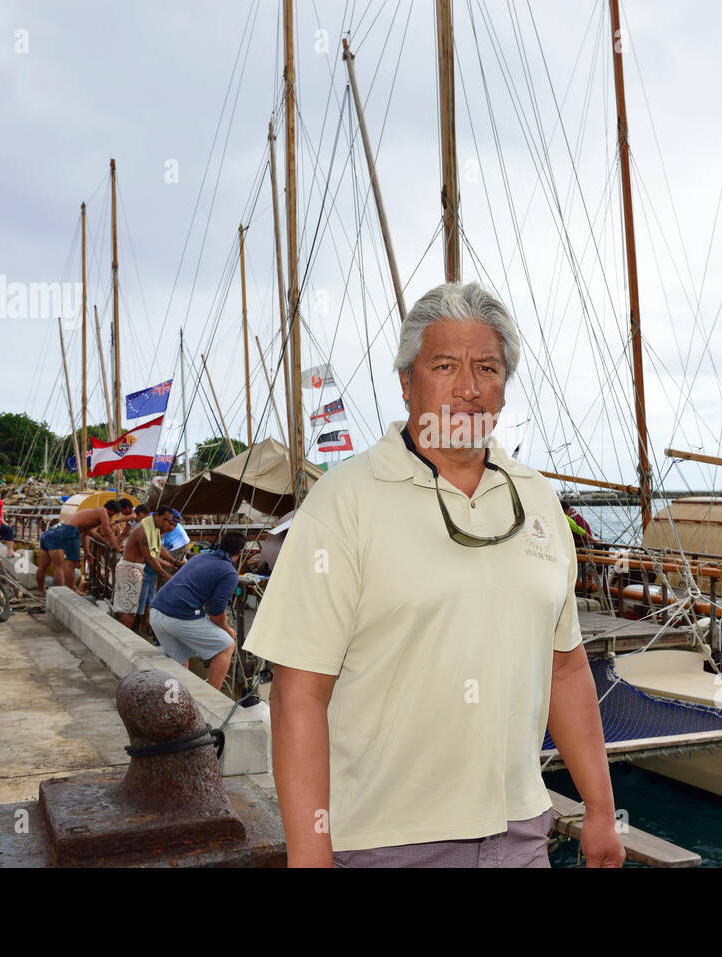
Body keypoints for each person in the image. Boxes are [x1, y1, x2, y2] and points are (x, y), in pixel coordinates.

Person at [244, 282, 623, 868]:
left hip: (521, 835)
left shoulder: (539, 500)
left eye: (487, 368)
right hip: (383, 843)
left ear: (503, 388)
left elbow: (566, 668)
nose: (468, 388)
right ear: (406, 383)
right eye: (445, 365)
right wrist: (310, 854)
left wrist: (599, 810)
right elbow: (299, 693)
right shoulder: (344, 501)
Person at [149, 530, 243, 690]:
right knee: (227, 645)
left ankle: (178, 699)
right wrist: (227, 629)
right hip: (177, 618)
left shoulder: (201, 557)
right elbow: (216, 611)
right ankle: (212, 698)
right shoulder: (229, 572)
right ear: (240, 552)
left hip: (156, 613)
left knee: (180, 660)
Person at [34, 500, 121, 597]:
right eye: (114, 514)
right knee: (69, 564)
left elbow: (88, 534)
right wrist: (117, 547)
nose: (112, 517)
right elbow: (107, 529)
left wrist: (90, 551)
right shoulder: (102, 511)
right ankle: (69, 591)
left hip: (50, 533)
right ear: (112, 510)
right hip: (69, 531)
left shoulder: (90, 516)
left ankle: (41, 590)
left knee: (43, 566)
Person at [112, 507, 177, 630]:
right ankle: (123, 639)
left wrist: (174, 561)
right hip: (130, 570)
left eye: (169, 521)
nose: (166, 524)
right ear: (157, 515)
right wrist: (165, 575)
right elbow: (151, 558)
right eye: (165, 520)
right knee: (129, 610)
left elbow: (158, 548)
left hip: (133, 569)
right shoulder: (144, 531)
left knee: (127, 608)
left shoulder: (152, 527)